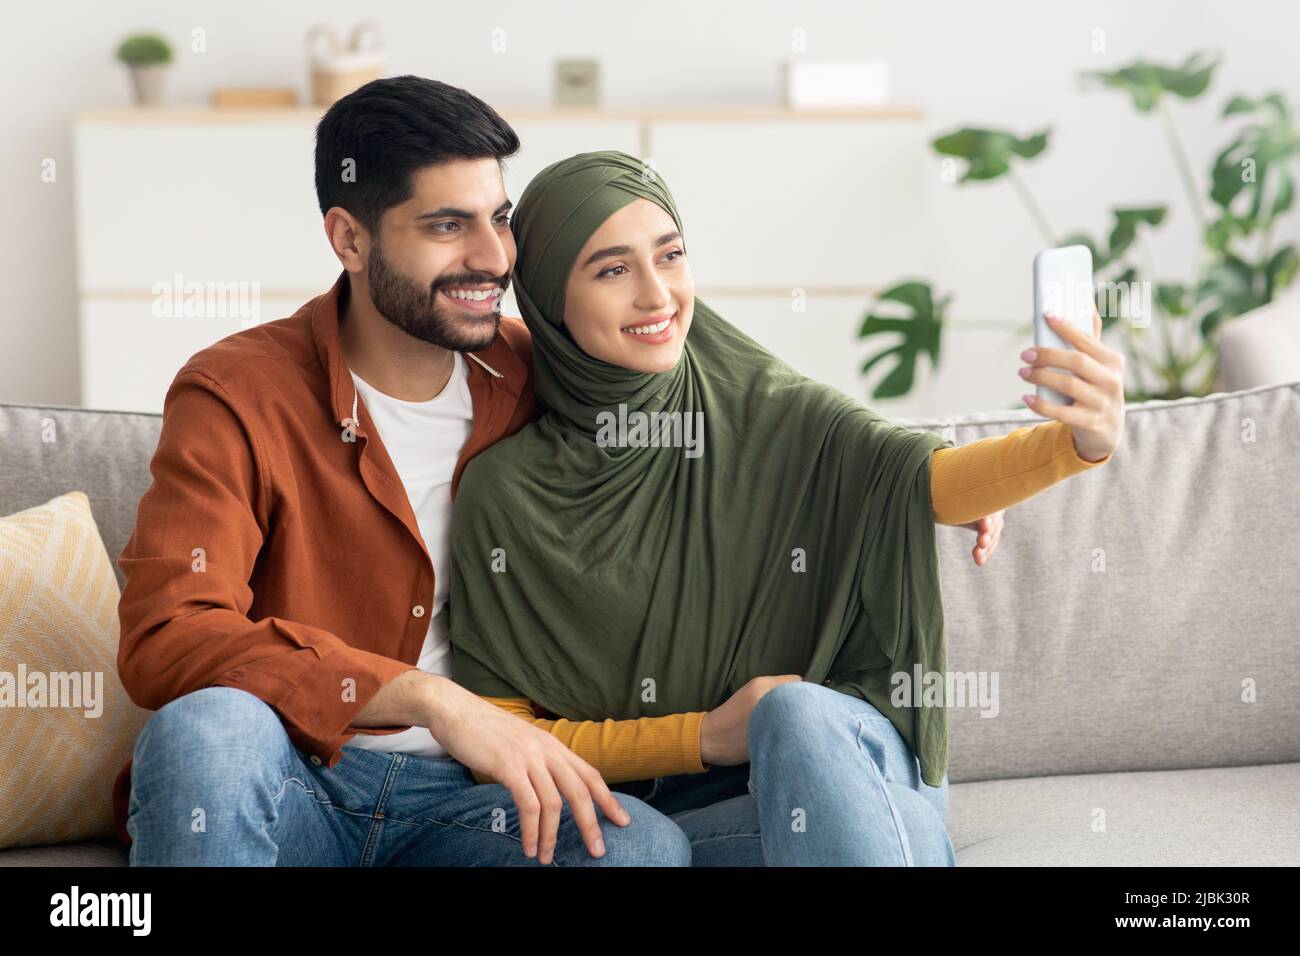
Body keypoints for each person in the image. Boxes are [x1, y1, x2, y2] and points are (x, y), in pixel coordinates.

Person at [447, 150, 1125, 866]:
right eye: (613, 270)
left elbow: (924, 479)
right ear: (550, 299)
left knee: (793, 712)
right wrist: (703, 735)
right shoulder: (506, 495)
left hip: (851, 765)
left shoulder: (761, 403)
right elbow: (504, 738)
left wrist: (1078, 442)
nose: (658, 294)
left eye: (671, 256)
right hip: (697, 818)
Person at [113, 80, 691, 867]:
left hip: (469, 803)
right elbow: (169, 634)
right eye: (446, 226)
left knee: (640, 849)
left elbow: (701, 385)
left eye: (499, 219)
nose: (492, 258)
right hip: (298, 778)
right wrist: (427, 697)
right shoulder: (237, 392)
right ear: (350, 240)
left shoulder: (535, 373)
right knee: (206, 728)